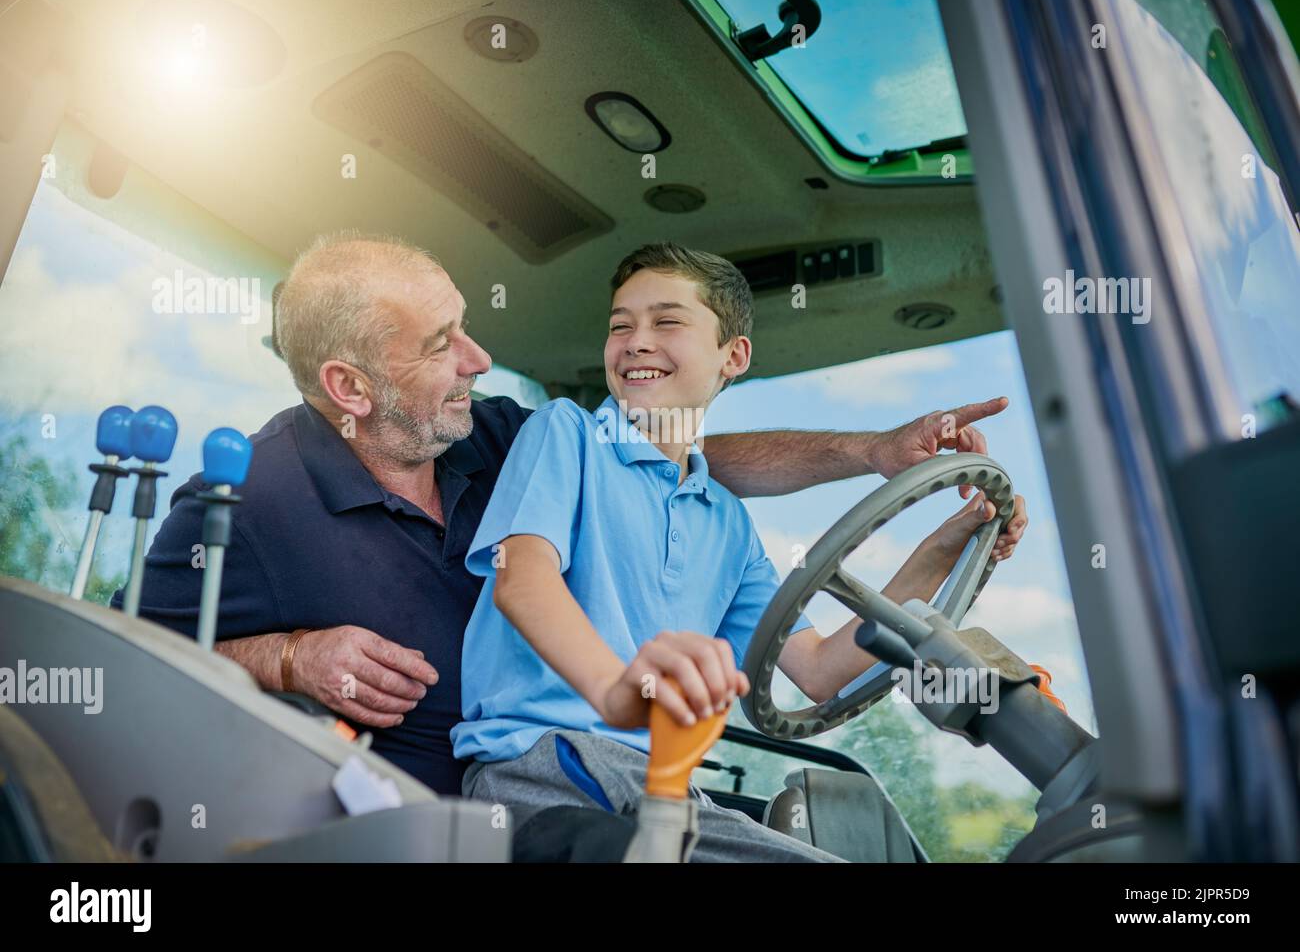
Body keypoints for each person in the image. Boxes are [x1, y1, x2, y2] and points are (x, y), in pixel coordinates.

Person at [115, 231, 1026, 797]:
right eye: (442, 344)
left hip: (620, 784)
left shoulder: (494, 434)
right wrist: (285, 657)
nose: (479, 358)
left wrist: (887, 472)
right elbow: (121, 673)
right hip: (474, 801)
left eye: (467, 324)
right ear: (350, 387)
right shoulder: (250, 500)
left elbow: (684, 463)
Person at [453, 243, 1027, 860]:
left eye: (667, 321)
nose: (636, 341)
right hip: (551, 767)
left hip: (659, 785)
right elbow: (522, 580)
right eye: (621, 325)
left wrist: (944, 548)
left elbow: (818, 670)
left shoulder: (727, 521)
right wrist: (620, 690)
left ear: (734, 356)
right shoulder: (567, 432)